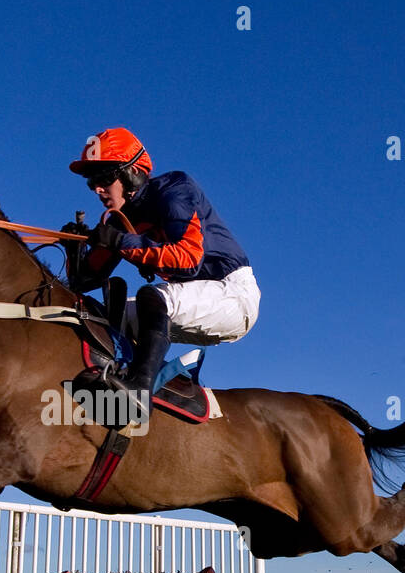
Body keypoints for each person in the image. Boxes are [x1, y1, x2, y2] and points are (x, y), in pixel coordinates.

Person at [67, 127, 261, 419]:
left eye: (105, 178)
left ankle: (139, 392)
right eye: (92, 182)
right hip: (193, 299)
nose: (97, 189)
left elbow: (188, 261)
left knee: (152, 297)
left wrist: (120, 243)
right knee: (100, 316)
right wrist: (74, 248)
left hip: (233, 294)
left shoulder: (175, 189)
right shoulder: (123, 219)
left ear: (132, 173)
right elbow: (85, 281)